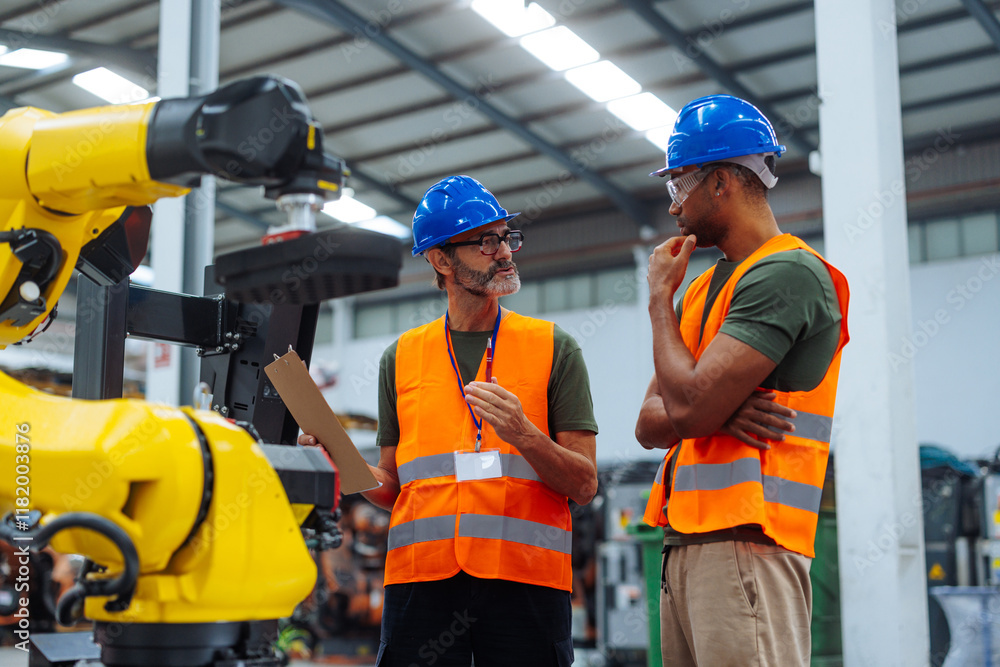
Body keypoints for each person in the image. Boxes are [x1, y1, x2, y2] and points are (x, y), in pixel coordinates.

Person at [300, 174, 598, 666]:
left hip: (523, 581)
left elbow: (584, 484)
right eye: (485, 241)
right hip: (421, 583)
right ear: (440, 259)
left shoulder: (553, 347)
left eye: (506, 237)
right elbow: (392, 486)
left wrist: (523, 433)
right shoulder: (401, 357)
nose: (503, 251)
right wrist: (338, 459)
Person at [634, 94, 850, 666]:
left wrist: (659, 301)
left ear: (722, 183)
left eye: (679, 183)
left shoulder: (786, 274)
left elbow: (687, 410)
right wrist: (713, 410)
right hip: (686, 544)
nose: (674, 204)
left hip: (749, 543)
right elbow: (649, 423)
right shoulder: (706, 288)